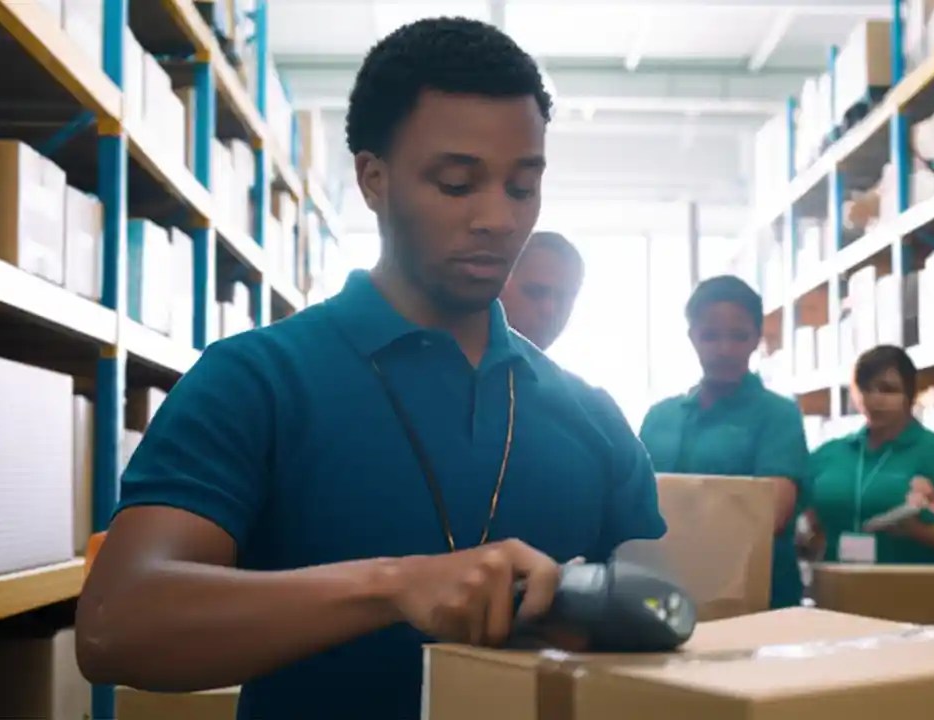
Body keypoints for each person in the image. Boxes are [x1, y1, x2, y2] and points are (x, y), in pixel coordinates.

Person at [75, 17, 665, 720]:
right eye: (456, 183)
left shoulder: (592, 418)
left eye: (522, 186)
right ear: (373, 179)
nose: (498, 220)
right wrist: (393, 588)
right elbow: (117, 624)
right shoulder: (256, 381)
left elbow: (671, 629)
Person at [638, 275, 809, 609]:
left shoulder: (778, 415)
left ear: (757, 338)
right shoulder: (660, 417)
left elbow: (770, 513)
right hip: (662, 594)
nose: (725, 349)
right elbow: (630, 501)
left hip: (753, 602)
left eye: (739, 336)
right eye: (710, 335)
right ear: (692, 337)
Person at [803, 345, 934, 565]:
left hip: (907, 590)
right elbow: (810, 521)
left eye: (887, 389)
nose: (874, 399)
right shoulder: (828, 455)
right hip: (835, 588)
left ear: (910, 394)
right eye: (866, 388)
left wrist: (916, 530)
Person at [500, 230, 584, 350]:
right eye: (535, 292)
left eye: (562, 298)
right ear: (499, 288)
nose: (549, 310)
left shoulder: (548, 369)